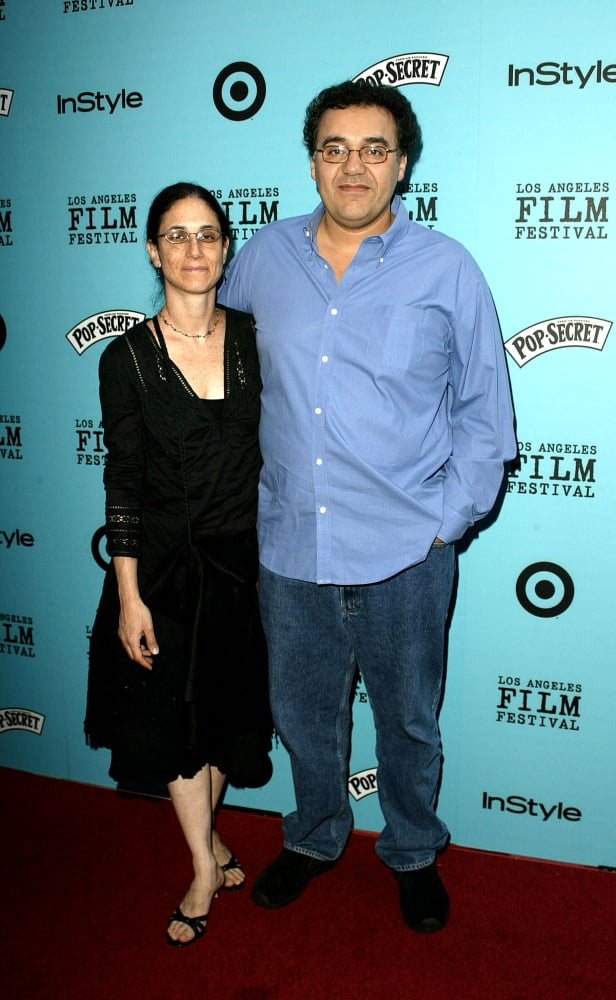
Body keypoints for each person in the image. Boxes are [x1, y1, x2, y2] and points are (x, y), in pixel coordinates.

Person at [218, 79, 516, 933]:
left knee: (409, 723)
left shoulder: (446, 267)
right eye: (334, 148)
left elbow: (484, 413)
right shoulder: (261, 259)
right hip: (288, 546)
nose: (353, 165)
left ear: (402, 165)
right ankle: (313, 836)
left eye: (373, 148)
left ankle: (413, 849)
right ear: (312, 160)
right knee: (304, 719)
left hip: (406, 552)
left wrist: (441, 523)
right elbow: (220, 380)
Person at [85, 182, 271, 947]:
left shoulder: (260, 338)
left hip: (244, 570)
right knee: (173, 726)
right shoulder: (124, 359)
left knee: (223, 721)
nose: (194, 249)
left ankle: (211, 841)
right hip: (159, 575)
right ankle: (202, 863)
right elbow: (122, 483)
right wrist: (129, 597)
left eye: (207, 234)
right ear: (153, 250)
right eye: (176, 235)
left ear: (226, 248)